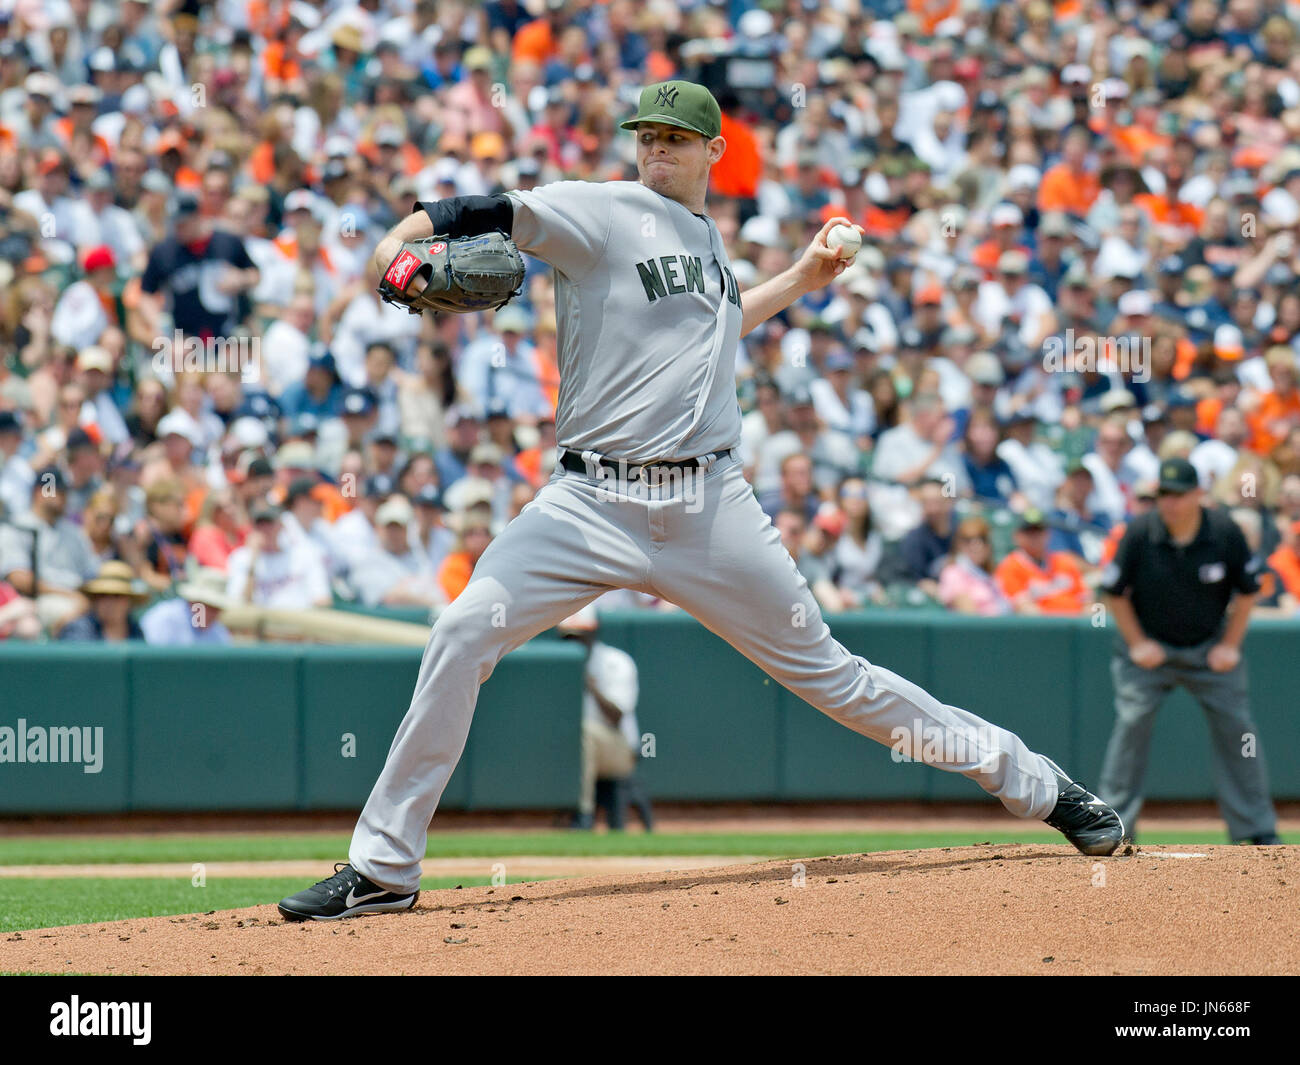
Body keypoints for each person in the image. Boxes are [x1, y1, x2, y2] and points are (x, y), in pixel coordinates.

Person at [277, 80, 1124, 922]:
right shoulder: (603, 210)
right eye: (646, 134)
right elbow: (479, 210)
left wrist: (802, 274)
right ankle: (384, 867)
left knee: (834, 675)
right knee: (461, 632)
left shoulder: (706, 240)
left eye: (675, 138)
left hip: (709, 503)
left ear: (714, 151)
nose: (656, 149)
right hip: (588, 500)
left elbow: (718, 328)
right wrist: (395, 241)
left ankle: (1038, 784)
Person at [1097, 458, 1281, 845]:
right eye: (1165, 493)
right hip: (1151, 652)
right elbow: (1113, 594)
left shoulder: (1224, 531)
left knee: (1239, 730)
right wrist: (1137, 644)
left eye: (1180, 494)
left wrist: (1230, 646)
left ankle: (1256, 831)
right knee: (1130, 725)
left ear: (1198, 495)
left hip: (1209, 650)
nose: (1171, 502)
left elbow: (1249, 591)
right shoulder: (1139, 532)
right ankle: (1112, 827)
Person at [557, 604, 652, 832]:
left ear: (593, 632)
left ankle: (584, 816)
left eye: (580, 637)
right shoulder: (557, 665)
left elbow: (618, 716)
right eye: (569, 638)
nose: (575, 644)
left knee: (586, 733)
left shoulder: (616, 661)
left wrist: (590, 686)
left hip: (619, 747)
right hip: (572, 747)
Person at [58, 559, 147, 641]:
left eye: (117, 595)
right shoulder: (79, 629)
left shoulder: (136, 632)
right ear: (94, 600)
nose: (110, 602)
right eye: (103, 595)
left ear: (129, 601)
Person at [139, 567, 233, 644]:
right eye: (209, 606)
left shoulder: (217, 632)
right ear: (193, 601)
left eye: (217, 609)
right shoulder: (164, 619)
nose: (213, 614)